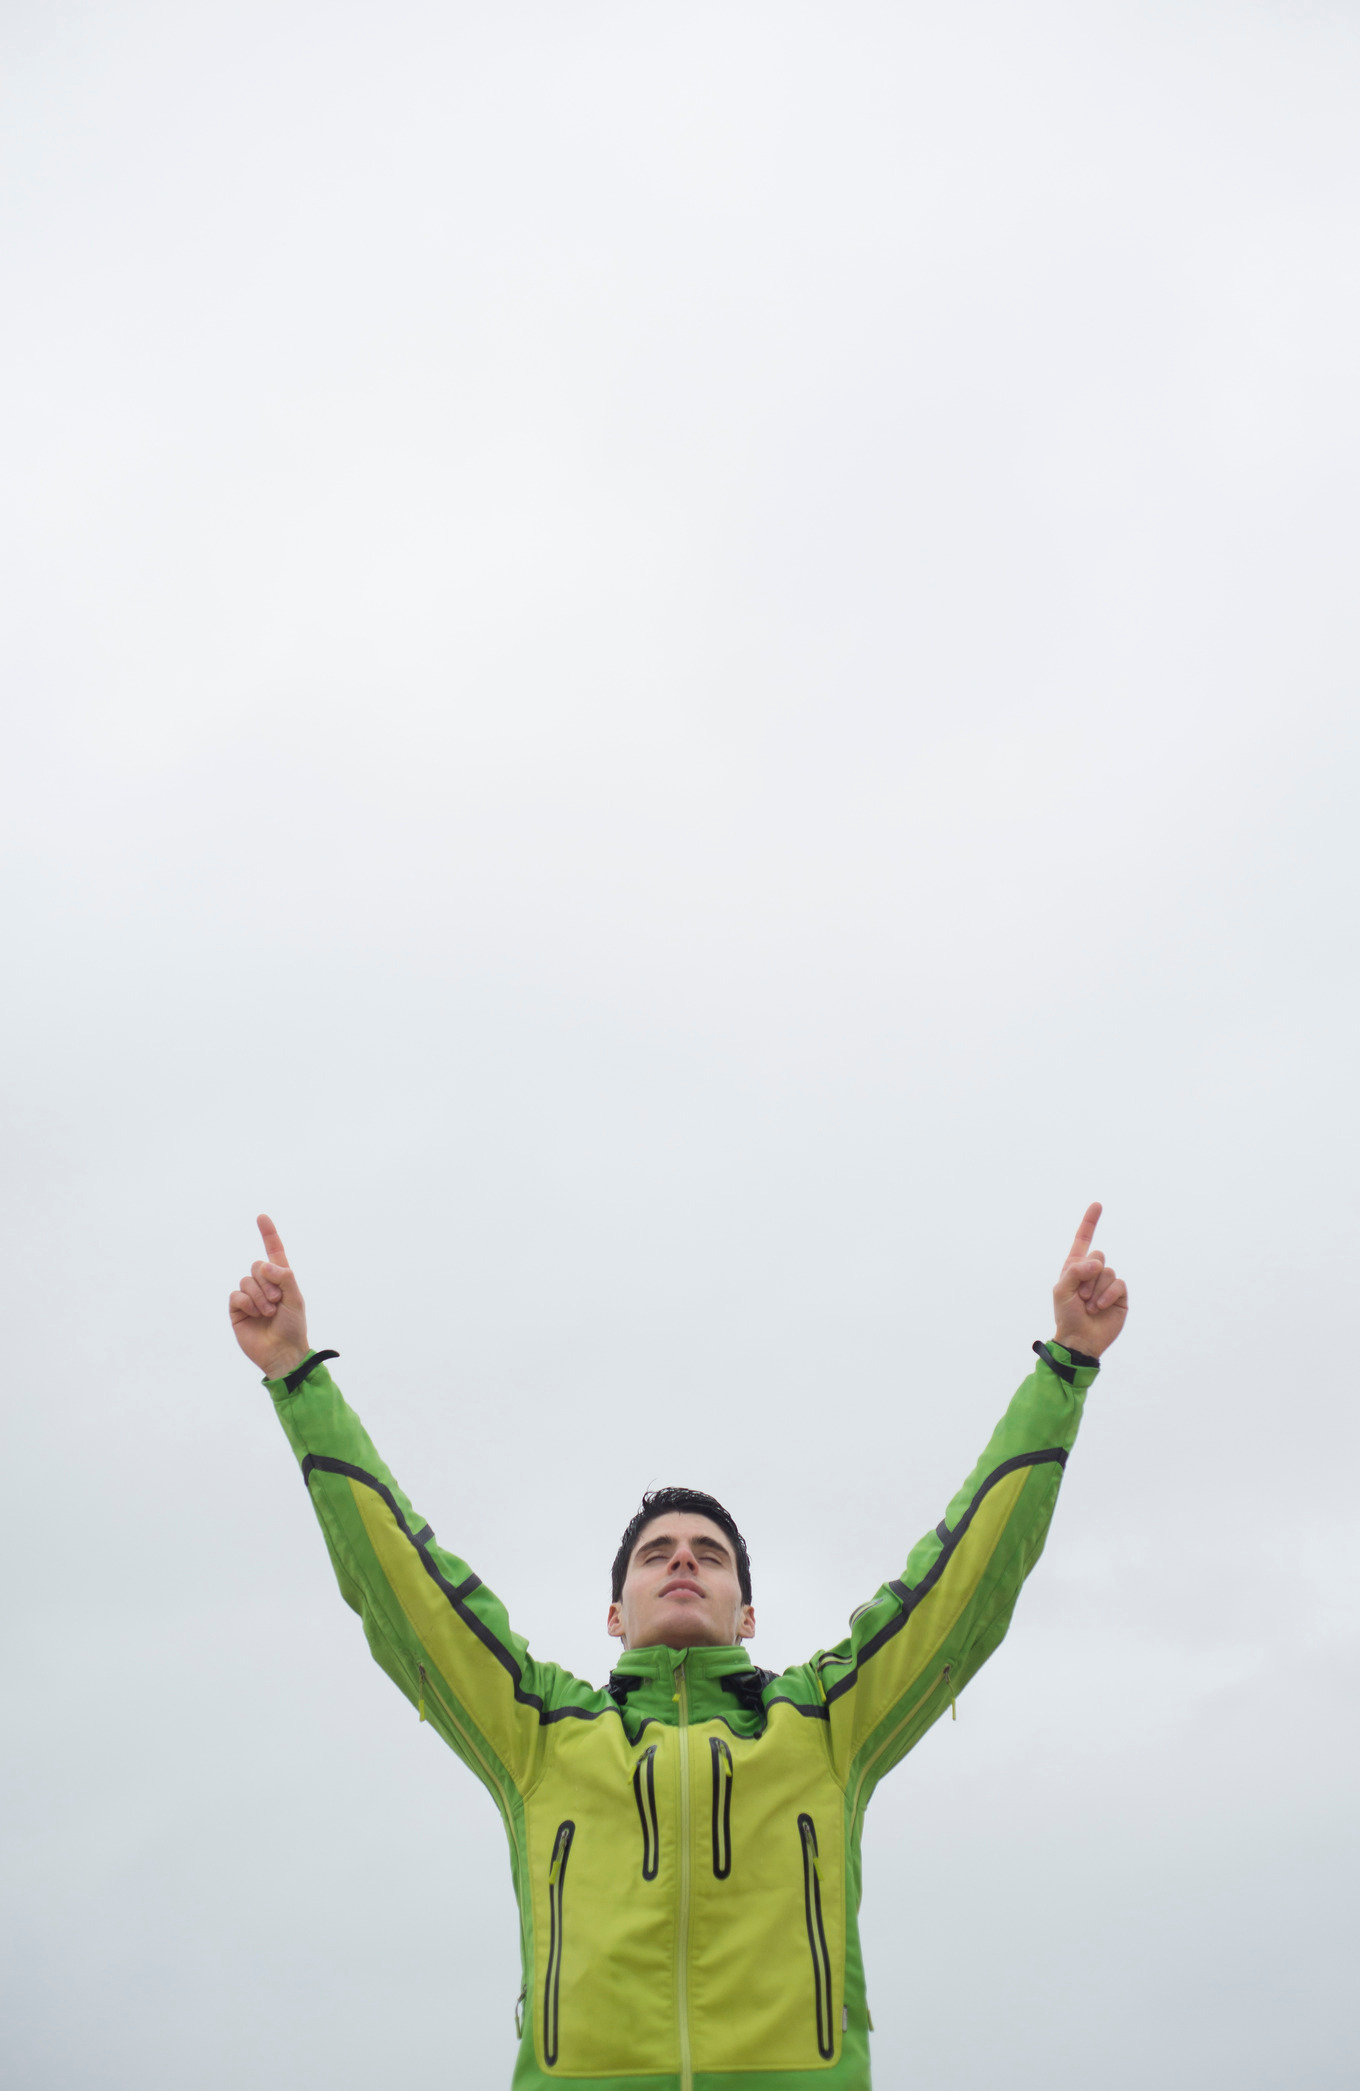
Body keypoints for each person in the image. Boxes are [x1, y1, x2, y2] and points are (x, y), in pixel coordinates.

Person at [229, 1204, 1127, 2091]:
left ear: (747, 1613)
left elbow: (965, 1576)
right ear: (615, 1613)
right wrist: (297, 1377)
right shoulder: (541, 1735)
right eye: (656, 1554)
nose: (683, 1560)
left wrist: (1068, 1364)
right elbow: (404, 1586)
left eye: (710, 1554)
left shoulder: (823, 1725)